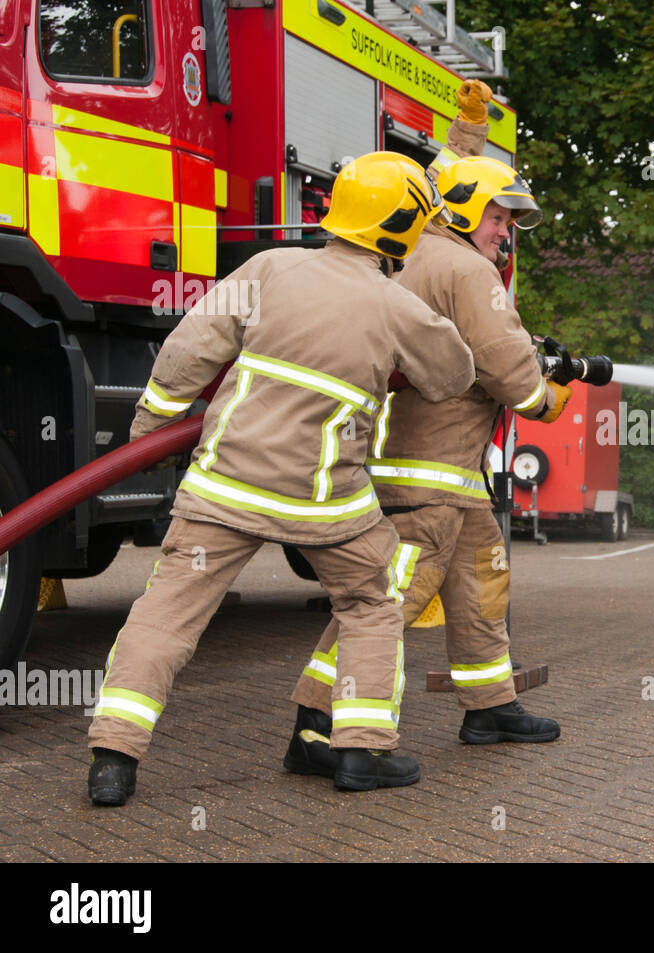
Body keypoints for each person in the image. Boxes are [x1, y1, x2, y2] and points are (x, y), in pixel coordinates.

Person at [86, 152, 476, 805]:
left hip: (225, 486)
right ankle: (359, 751)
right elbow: (455, 375)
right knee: (371, 604)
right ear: (401, 225)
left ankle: (113, 759)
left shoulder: (269, 267)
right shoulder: (395, 305)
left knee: (165, 615)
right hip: (325, 502)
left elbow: (188, 347)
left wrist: (148, 428)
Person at [284, 82, 568, 776]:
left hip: (445, 472)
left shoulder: (419, 246)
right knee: (383, 602)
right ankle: (318, 726)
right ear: (471, 213)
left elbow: (446, 178)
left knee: (480, 579)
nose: (506, 231)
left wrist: (468, 131)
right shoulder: (467, 270)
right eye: (500, 218)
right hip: (427, 478)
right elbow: (515, 377)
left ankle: (489, 703)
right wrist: (551, 394)